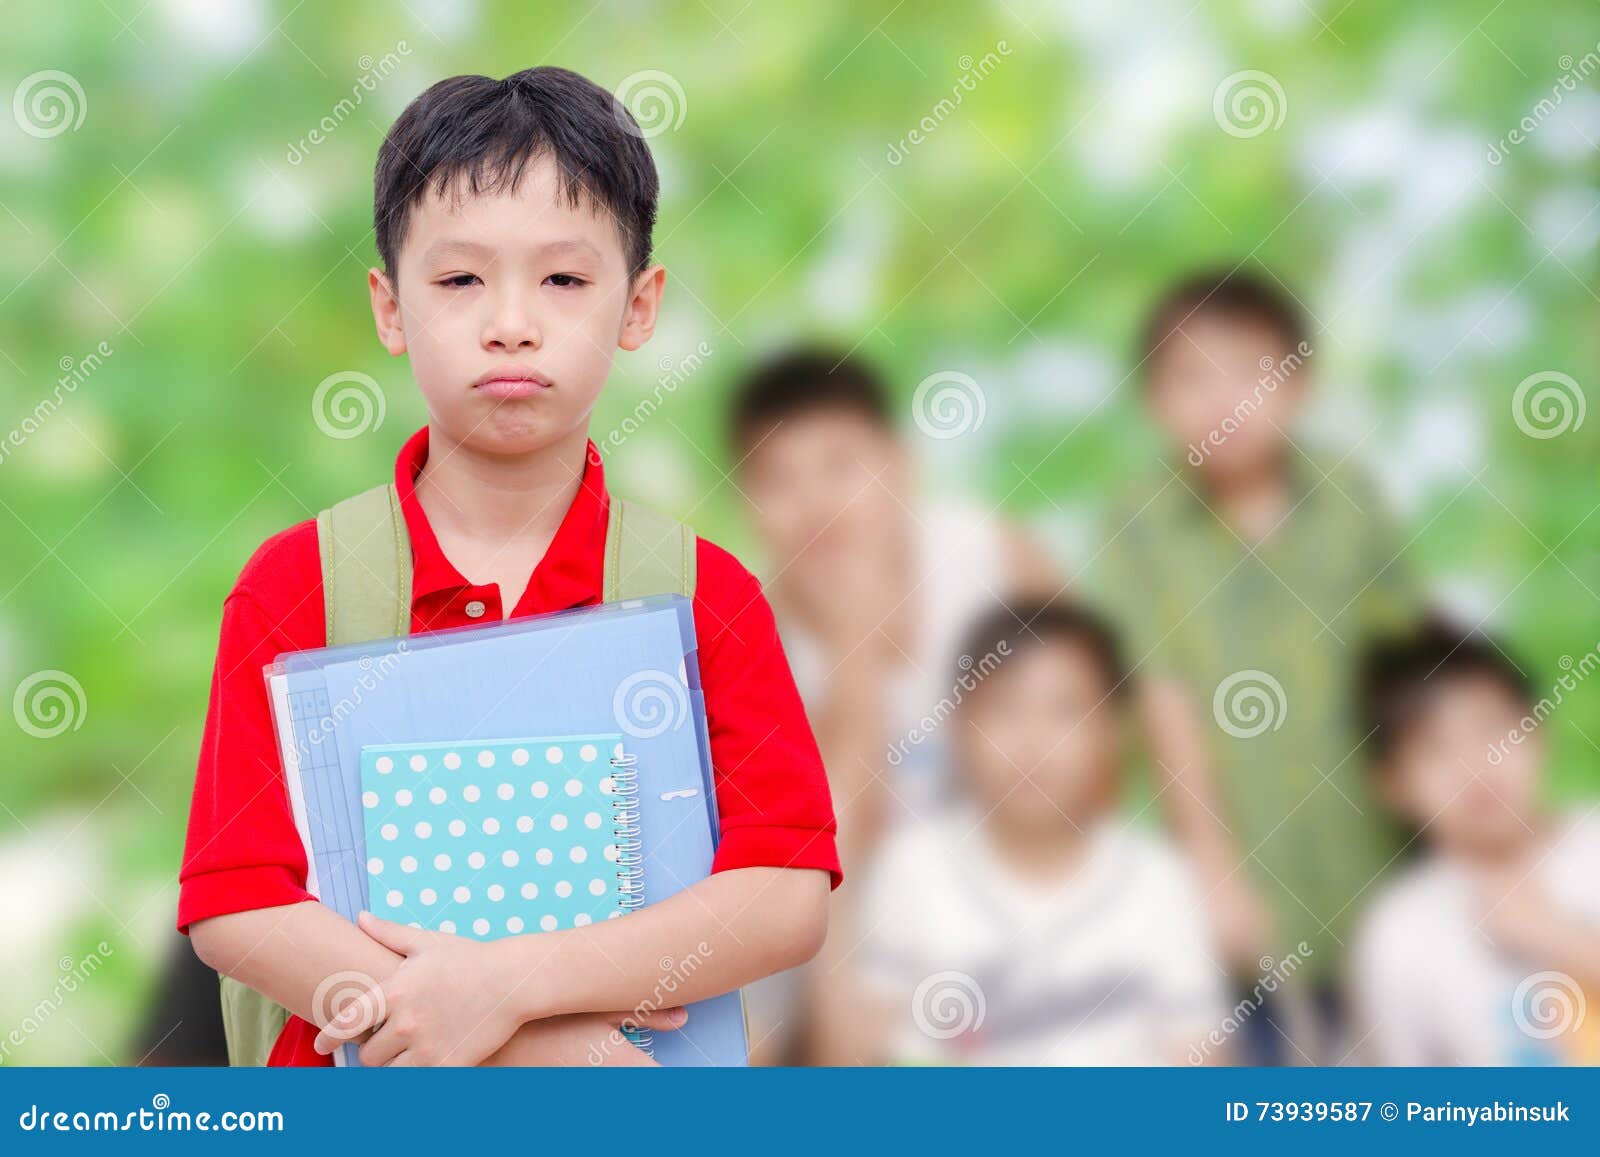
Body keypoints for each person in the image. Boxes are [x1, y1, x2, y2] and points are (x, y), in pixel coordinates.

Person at [178, 67, 840, 1067]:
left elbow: (784, 887)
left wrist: (511, 992)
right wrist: (517, 1044)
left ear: (640, 304)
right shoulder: (296, 582)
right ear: (390, 307)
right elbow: (236, 898)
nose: (512, 321)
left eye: (564, 279)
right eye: (459, 280)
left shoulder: (701, 589)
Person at [1088, 268, 1419, 1063]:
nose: (1223, 400)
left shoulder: (1349, 494)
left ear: (1299, 383)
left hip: (1374, 850)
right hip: (1244, 872)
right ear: (1154, 400)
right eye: (1190, 377)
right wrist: (1212, 869)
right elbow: (1158, 695)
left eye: (1248, 371)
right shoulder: (1139, 521)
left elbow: (1409, 669)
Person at [727, 347, 1058, 1063]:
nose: (816, 504)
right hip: (852, 932)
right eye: (778, 481)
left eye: (841, 466)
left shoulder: (990, 555)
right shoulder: (756, 641)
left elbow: (1084, 727)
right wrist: (853, 650)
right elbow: (837, 843)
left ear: (899, 467)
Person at [852, 600, 1228, 1065]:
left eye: (1066, 709)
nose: (1033, 741)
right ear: (960, 726)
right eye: (1005, 708)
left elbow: (1200, 1059)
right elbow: (873, 1052)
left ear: (1113, 731)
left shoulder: (1159, 879)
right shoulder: (911, 870)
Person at [1351, 622, 1600, 1065]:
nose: (1475, 767)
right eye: (1436, 749)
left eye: (1490, 729)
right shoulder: (1399, 932)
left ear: (1537, 730)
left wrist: (1562, 939)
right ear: (1392, 784)